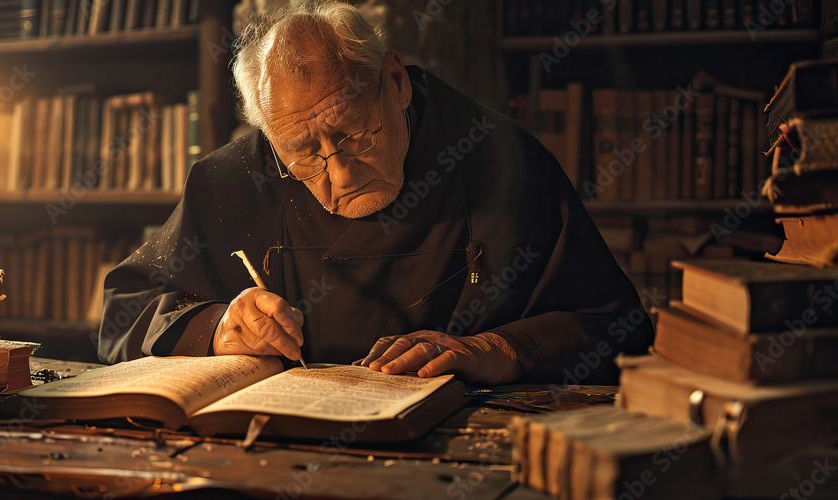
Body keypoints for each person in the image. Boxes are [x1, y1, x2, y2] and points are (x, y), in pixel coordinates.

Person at [97, 1, 653, 385]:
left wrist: (497, 349)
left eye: (355, 134)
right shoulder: (233, 179)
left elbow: (618, 327)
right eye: (304, 153)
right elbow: (124, 314)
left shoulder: (503, 160)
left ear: (397, 81)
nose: (340, 174)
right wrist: (219, 328)